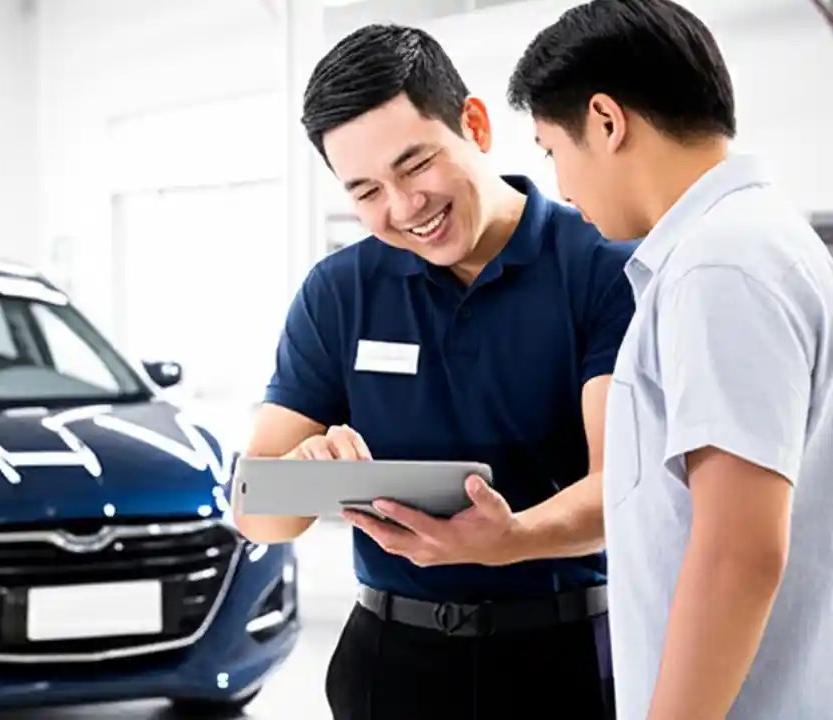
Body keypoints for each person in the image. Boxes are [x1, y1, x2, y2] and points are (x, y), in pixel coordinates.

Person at [231, 23, 636, 719]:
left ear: (474, 124)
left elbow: (623, 490)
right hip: (391, 663)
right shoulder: (339, 291)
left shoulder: (600, 267)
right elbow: (253, 511)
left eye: (416, 166)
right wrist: (307, 469)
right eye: (366, 191)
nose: (403, 207)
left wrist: (510, 541)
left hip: (565, 659)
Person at [507, 2, 833, 719]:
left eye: (551, 149)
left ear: (605, 120)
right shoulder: (760, 244)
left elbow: (738, 553)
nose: (561, 187)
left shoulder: (721, 265)